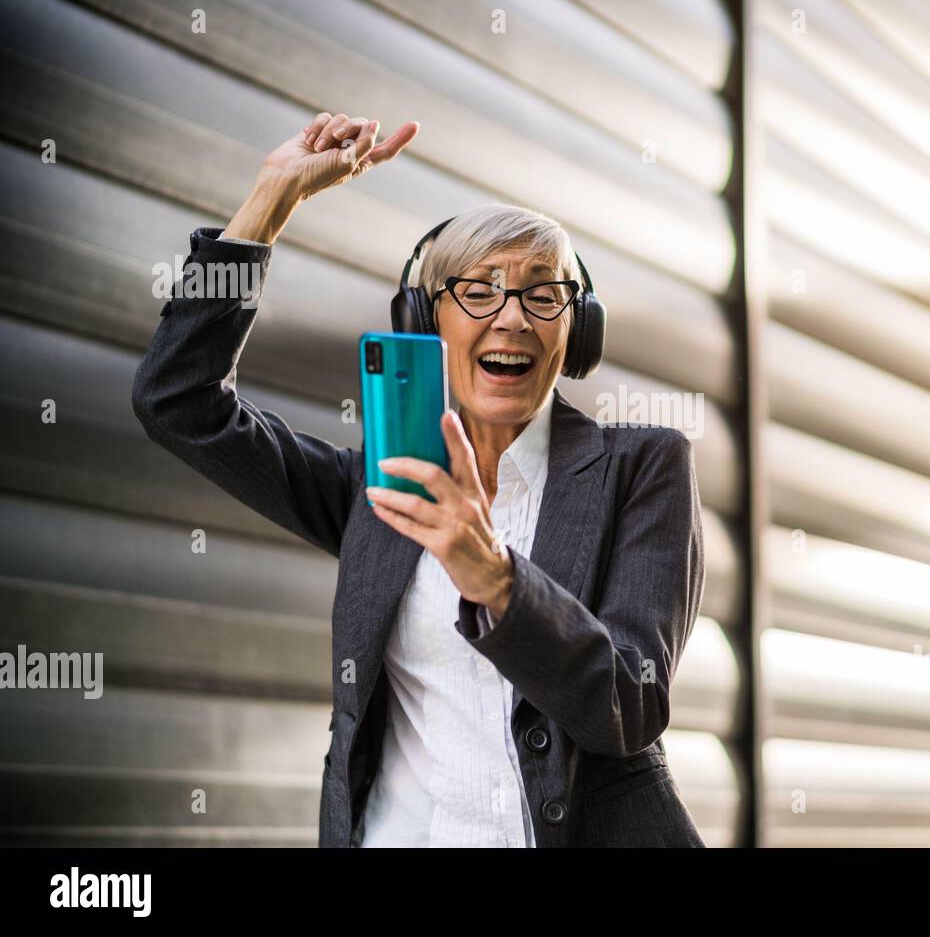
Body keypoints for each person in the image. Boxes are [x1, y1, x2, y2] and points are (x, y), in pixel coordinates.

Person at [131, 112, 707, 847]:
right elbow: (177, 402)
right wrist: (269, 201)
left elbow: (627, 707)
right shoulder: (377, 490)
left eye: (542, 295)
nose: (513, 318)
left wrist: (495, 578)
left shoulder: (643, 467)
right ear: (424, 322)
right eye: (479, 290)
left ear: (576, 330)